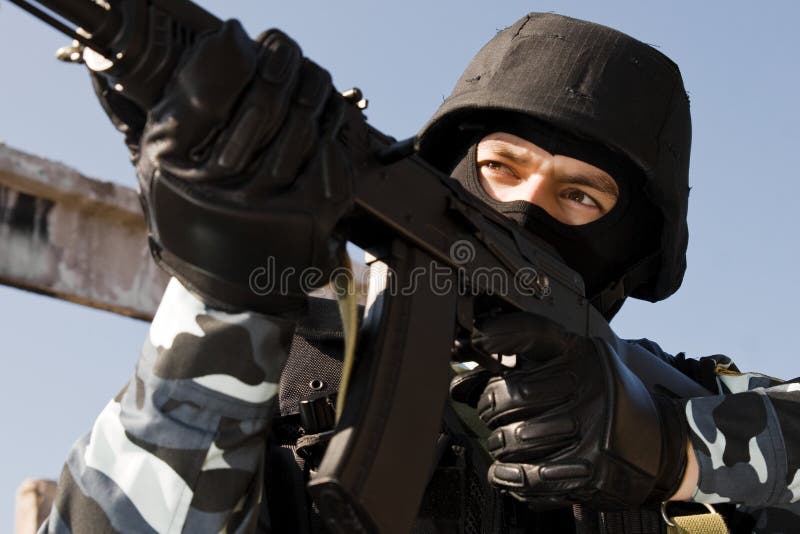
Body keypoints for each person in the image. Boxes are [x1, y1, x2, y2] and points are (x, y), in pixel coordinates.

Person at [39, 11, 799, 534]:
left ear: (631, 250)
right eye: (501, 166)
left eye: (578, 195)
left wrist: (673, 449)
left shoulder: (693, 401)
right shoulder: (281, 369)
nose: (527, 205)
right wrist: (219, 301)